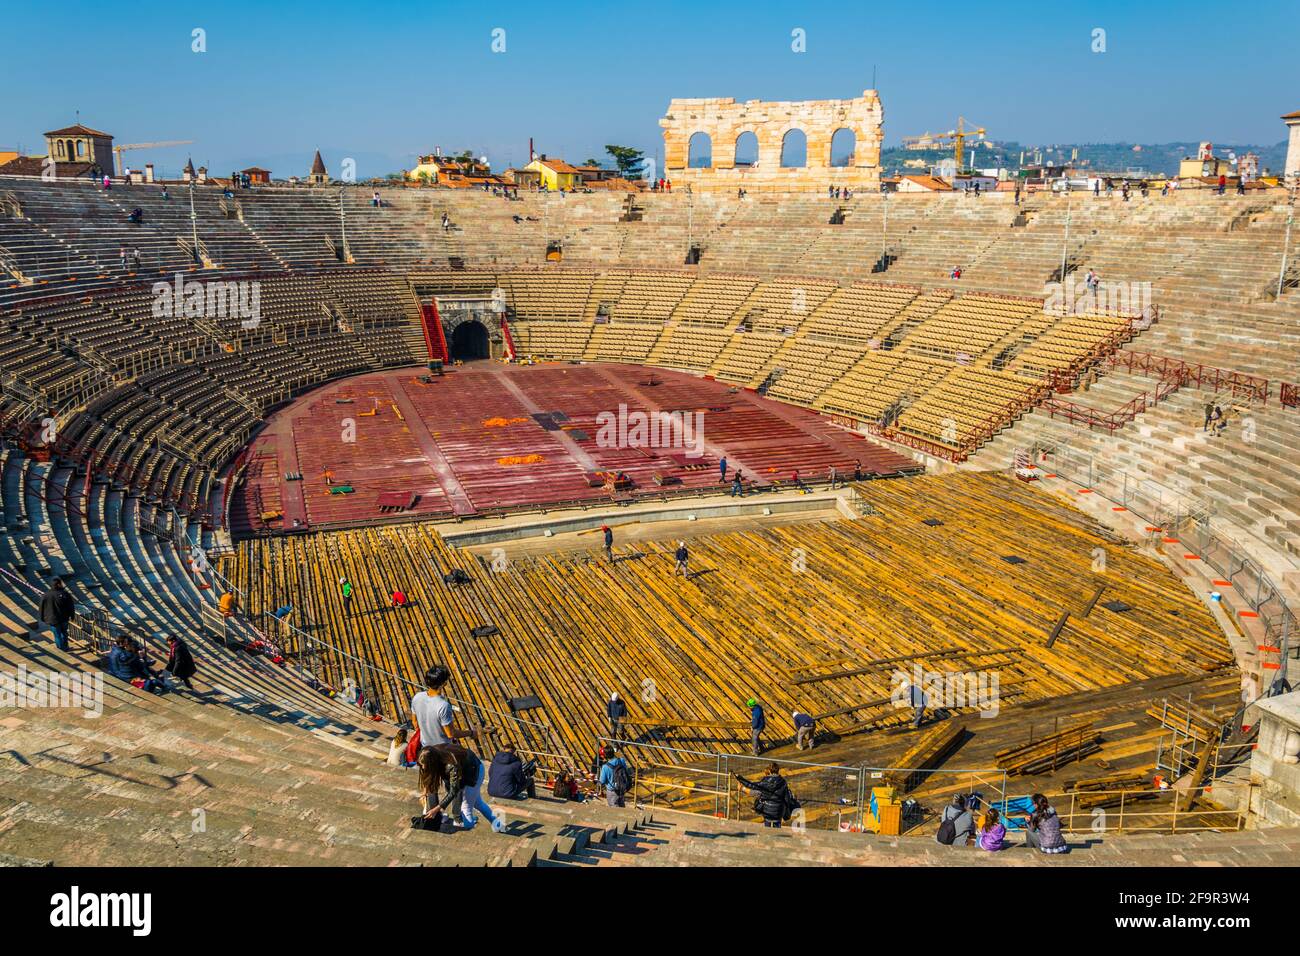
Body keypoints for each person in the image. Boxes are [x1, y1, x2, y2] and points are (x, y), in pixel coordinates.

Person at [417, 742, 505, 832]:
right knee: (477, 803)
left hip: (473, 772)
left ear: (433, 762)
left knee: (465, 808)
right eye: (421, 765)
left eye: (425, 765)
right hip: (463, 769)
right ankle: (499, 826)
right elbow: (430, 780)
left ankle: (468, 833)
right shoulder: (432, 753)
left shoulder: (451, 764)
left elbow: (453, 791)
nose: (423, 767)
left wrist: (436, 809)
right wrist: (425, 793)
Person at [409, 663, 479, 752]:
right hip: (442, 750)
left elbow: (415, 723)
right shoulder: (443, 706)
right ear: (444, 684)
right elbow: (450, 733)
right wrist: (471, 733)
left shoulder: (417, 697)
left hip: (425, 746)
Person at [735, 764, 797, 828]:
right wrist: (787, 811)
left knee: (767, 826)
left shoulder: (764, 783)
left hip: (767, 811)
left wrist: (741, 779)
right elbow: (787, 798)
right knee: (777, 828)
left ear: (769, 771)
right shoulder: (783, 782)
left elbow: (752, 786)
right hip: (779, 811)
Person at [39, 578, 76, 651]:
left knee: (57, 635)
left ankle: (60, 648)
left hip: (52, 619)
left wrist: (42, 617)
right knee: (64, 633)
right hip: (63, 618)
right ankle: (65, 647)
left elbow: (41, 607)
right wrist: (72, 616)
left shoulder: (46, 595)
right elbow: (71, 606)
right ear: (58, 584)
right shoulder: (65, 594)